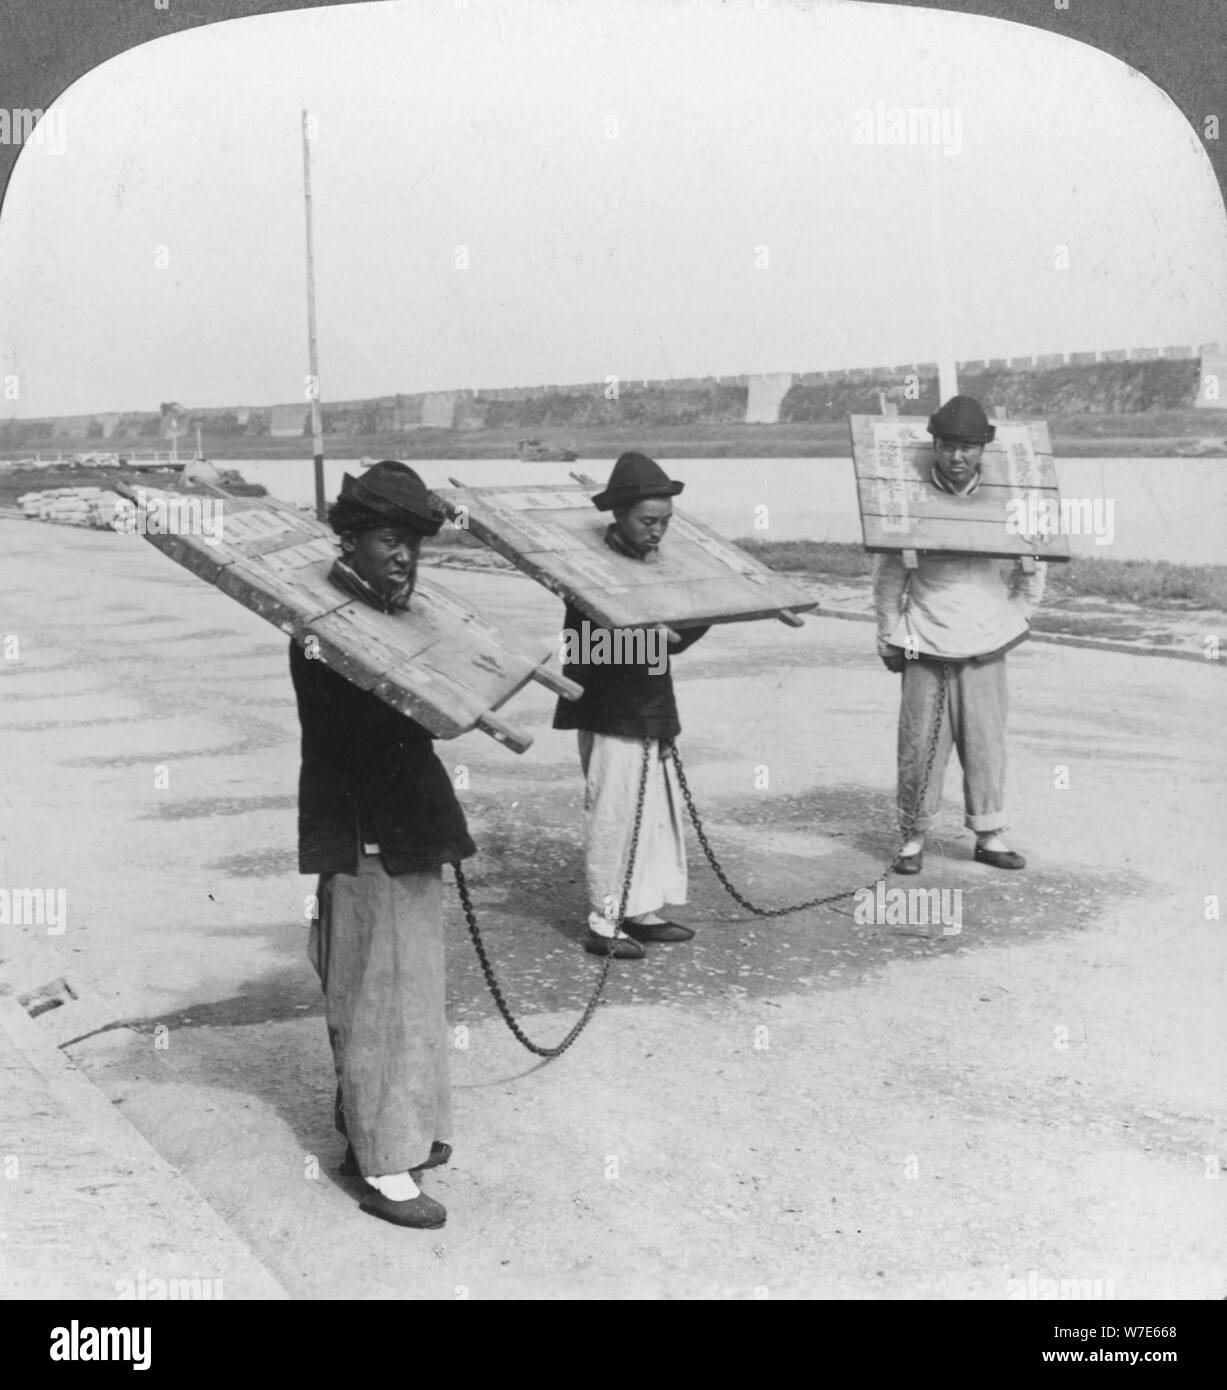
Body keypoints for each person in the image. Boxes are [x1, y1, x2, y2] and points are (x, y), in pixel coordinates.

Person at [291, 461, 475, 1229]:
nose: (404, 557)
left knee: (410, 989)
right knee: (377, 995)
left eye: (413, 543)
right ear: (352, 540)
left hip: (407, 826)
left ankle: (388, 1132)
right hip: (368, 829)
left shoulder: (386, 613)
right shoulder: (326, 629)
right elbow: (367, 733)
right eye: (389, 541)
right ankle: (384, 1167)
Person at [872, 396, 1045, 875]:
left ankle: (989, 834)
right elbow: (888, 578)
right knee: (918, 745)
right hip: (924, 637)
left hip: (987, 638)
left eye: (967, 448)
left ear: (982, 450)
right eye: (948, 446)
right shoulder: (908, 500)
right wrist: (889, 633)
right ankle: (913, 836)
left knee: (985, 742)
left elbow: (1034, 565)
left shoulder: (1009, 499)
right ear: (935, 446)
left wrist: (1016, 617)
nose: (956, 457)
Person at [554, 452, 709, 959]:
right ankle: (604, 922)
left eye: (666, 521)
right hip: (610, 712)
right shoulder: (588, 571)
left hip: (649, 704)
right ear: (618, 516)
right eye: (648, 521)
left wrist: (702, 613)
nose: (658, 531)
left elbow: (673, 641)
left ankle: (639, 911)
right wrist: (655, 635)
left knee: (654, 815)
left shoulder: (655, 565)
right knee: (616, 816)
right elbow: (587, 650)